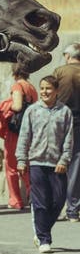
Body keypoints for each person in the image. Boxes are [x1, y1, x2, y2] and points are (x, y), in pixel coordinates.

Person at [16, 75, 73, 253]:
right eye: (42, 88)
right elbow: (24, 136)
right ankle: (44, 239)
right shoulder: (32, 111)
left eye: (48, 88)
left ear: (56, 91)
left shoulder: (65, 112)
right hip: (36, 162)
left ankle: (41, 228)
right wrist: (21, 159)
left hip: (57, 164)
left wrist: (64, 160)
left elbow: (69, 139)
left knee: (58, 200)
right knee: (41, 203)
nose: (44, 92)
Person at [3, 66, 38, 209]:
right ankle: (34, 196)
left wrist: (5, 106)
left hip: (15, 131)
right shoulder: (32, 88)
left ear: (15, 72)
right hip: (30, 130)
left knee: (11, 167)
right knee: (27, 166)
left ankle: (16, 200)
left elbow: (17, 106)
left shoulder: (17, 86)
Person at [53, 42, 80, 221]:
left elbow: (50, 94)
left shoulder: (60, 71)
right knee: (77, 164)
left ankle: (56, 206)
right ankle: (73, 209)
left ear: (67, 55)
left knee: (57, 162)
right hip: (79, 122)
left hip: (60, 119)